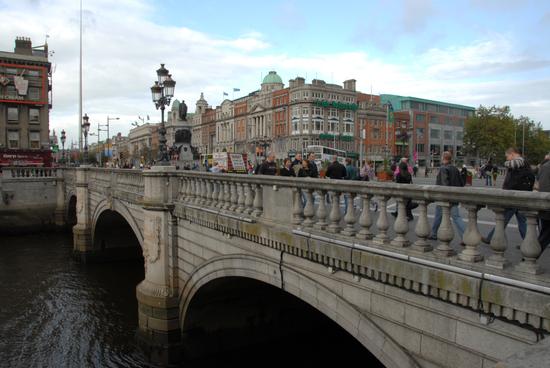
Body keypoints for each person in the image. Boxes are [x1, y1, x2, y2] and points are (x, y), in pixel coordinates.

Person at [482, 147, 535, 244]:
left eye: (507, 156)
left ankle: (490, 238)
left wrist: (500, 163)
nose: (506, 158)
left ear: (513, 154)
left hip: (515, 197)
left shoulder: (520, 161)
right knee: (520, 221)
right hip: (519, 196)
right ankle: (529, 242)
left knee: (503, 220)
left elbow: (510, 164)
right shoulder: (523, 163)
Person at [428, 151, 466, 244]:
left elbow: (444, 184)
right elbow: (462, 183)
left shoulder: (443, 169)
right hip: (455, 196)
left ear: (443, 158)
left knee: (438, 215)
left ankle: (433, 234)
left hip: (444, 197)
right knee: (456, 217)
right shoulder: (455, 169)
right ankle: (465, 236)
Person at [537, 153, 550, 258]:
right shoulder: (547, 167)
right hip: (547, 207)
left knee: (545, 235)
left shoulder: (545, 166)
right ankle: (530, 256)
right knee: (545, 235)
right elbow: (545, 188)